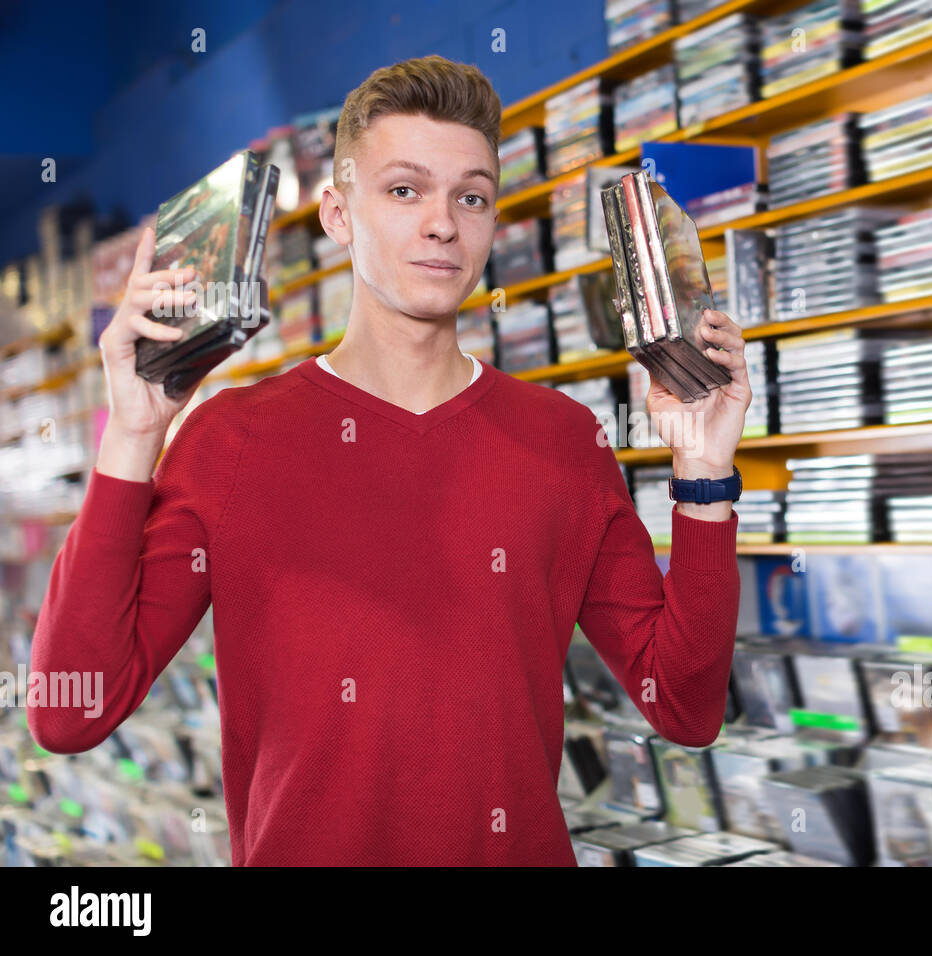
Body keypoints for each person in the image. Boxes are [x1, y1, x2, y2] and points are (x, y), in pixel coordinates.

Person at [29, 54, 752, 866]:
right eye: (404, 190)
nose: (441, 223)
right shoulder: (229, 440)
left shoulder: (563, 439)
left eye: (470, 196)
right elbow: (69, 713)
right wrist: (132, 436)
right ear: (338, 214)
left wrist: (703, 476)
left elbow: (686, 708)